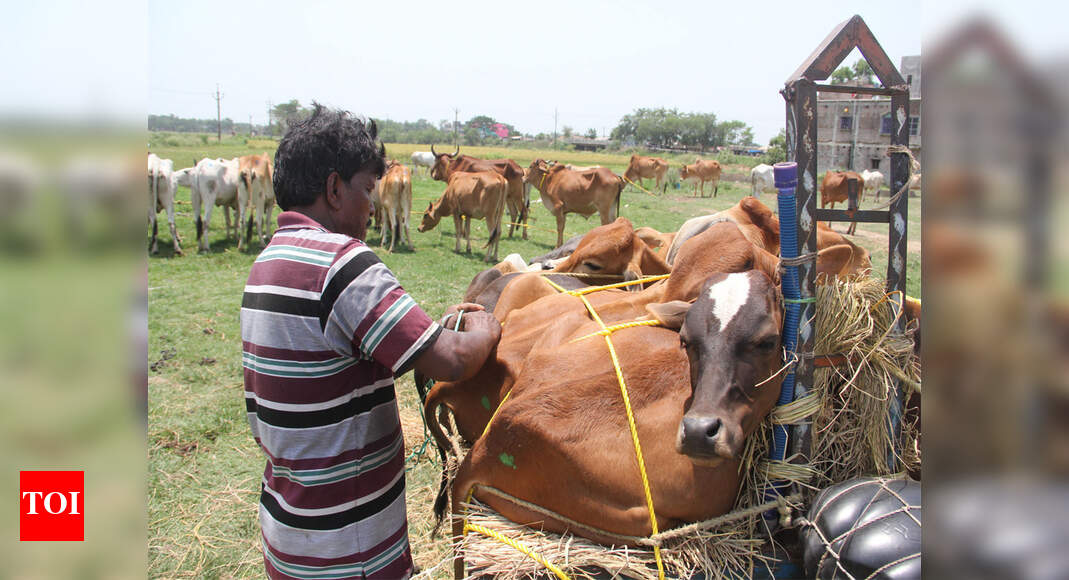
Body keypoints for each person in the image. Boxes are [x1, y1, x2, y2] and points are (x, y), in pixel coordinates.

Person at [240, 104, 501, 579]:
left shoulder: (267, 263)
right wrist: (487, 328)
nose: (371, 206)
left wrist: (426, 329)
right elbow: (454, 360)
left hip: (291, 532)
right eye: (366, 190)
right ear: (334, 189)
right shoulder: (342, 262)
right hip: (349, 548)